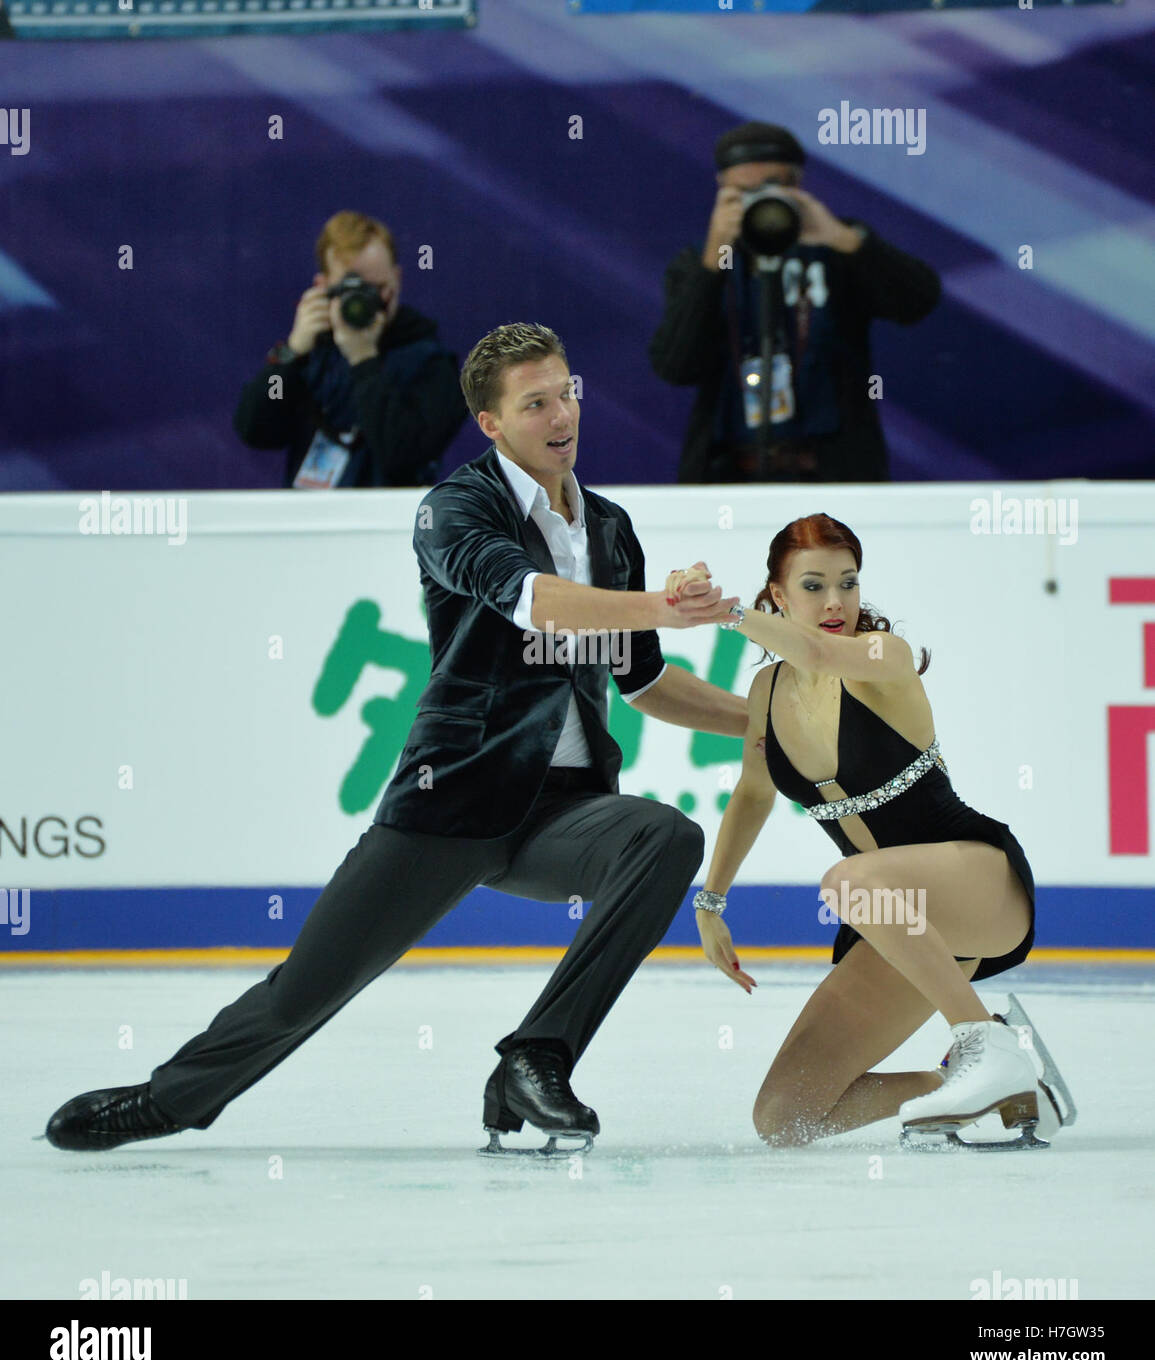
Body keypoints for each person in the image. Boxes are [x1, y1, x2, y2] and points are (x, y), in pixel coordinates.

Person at [46, 322, 747, 1157]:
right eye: (535, 403)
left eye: (567, 392)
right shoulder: (454, 508)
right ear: (490, 423)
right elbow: (531, 600)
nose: (562, 413)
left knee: (664, 835)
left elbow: (640, 679)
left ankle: (535, 1056)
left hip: (563, 811)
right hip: (449, 805)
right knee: (303, 993)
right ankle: (168, 1101)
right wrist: (663, 607)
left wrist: (763, 720)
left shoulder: (610, 527)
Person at [675, 512, 1071, 1148]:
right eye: (813, 586)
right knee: (784, 1117)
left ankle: (985, 1044)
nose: (835, 602)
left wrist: (720, 612)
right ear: (778, 594)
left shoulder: (883, 655)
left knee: (847, 880)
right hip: (889, 918)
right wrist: (711, 901)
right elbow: (752, 792)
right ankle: (998, 1091)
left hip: (977, 884)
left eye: (848, 582)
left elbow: (820, 651)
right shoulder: (766, 690)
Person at [649, 122, 941, 485]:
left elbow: (918, 302)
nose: (759, 201)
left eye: (771, 187)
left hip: (833, 473)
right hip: (728, 479)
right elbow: (676, 366)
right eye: (742, 192)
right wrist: (713, 260)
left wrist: (845, 239)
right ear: (721, 191)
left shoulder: (836, 245)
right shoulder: (702, 261)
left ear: (797, 186)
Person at [233, 210, 468, 489]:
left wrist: (364, 359)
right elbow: (254, 431)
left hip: (391, 524)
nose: (362, 303)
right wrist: (291, 353)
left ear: (397, 279)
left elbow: (406, 456)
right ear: (322, 286)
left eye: (375, 288)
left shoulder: (431, 361)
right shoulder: (310, 355)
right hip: (309, 523)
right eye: (350, 289)